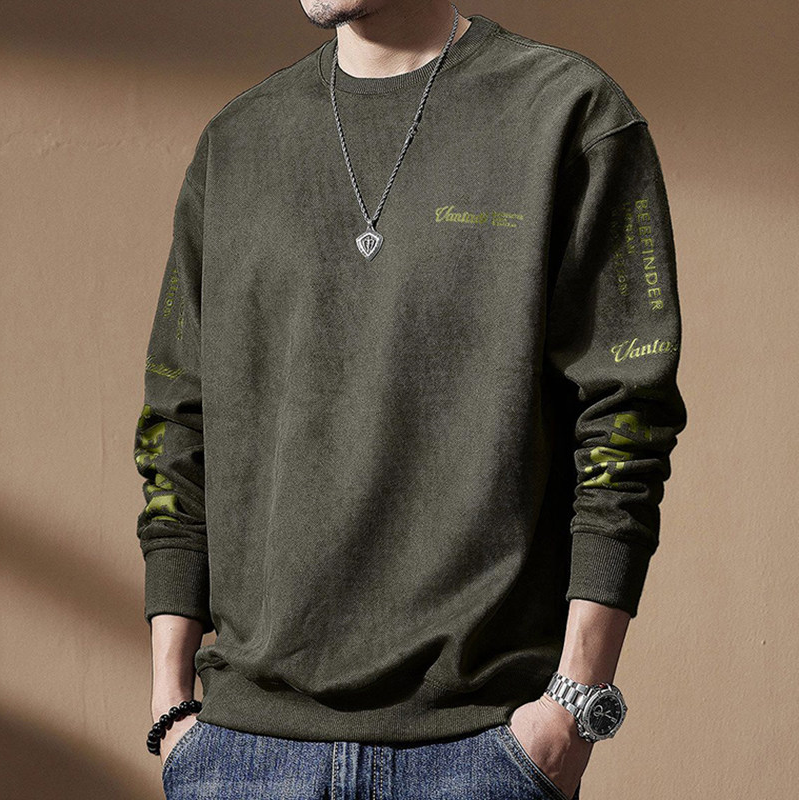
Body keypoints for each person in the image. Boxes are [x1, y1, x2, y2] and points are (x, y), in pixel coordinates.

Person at [134, 2, 688, 798]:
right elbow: (177, 426)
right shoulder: (236, 144)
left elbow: (627, 417)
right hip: (241, 755)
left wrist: (572, 706)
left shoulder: (568, 114)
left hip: (480, 750)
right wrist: (170, 703)